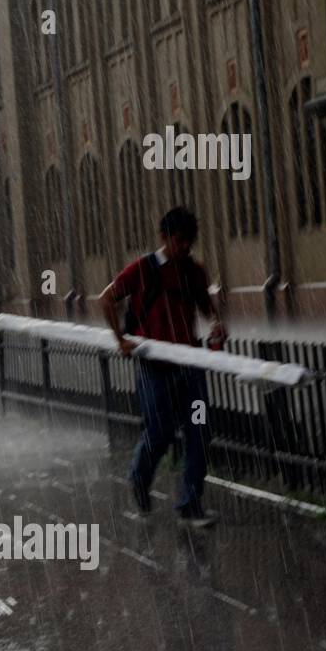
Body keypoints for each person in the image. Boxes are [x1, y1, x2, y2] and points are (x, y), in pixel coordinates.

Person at [98, 207, 227, 527]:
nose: (185, 247)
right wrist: (120, 339)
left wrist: (216, 326)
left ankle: (190, 504)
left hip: (189, 366)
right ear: (165, 237)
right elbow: (106, 298)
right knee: (159, 431)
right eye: (180, 240)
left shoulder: (194, 273)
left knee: (199, 431)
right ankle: (140, 478)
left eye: (189, 242)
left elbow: (208, 310)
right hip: (154, 367)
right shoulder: (142, 270)